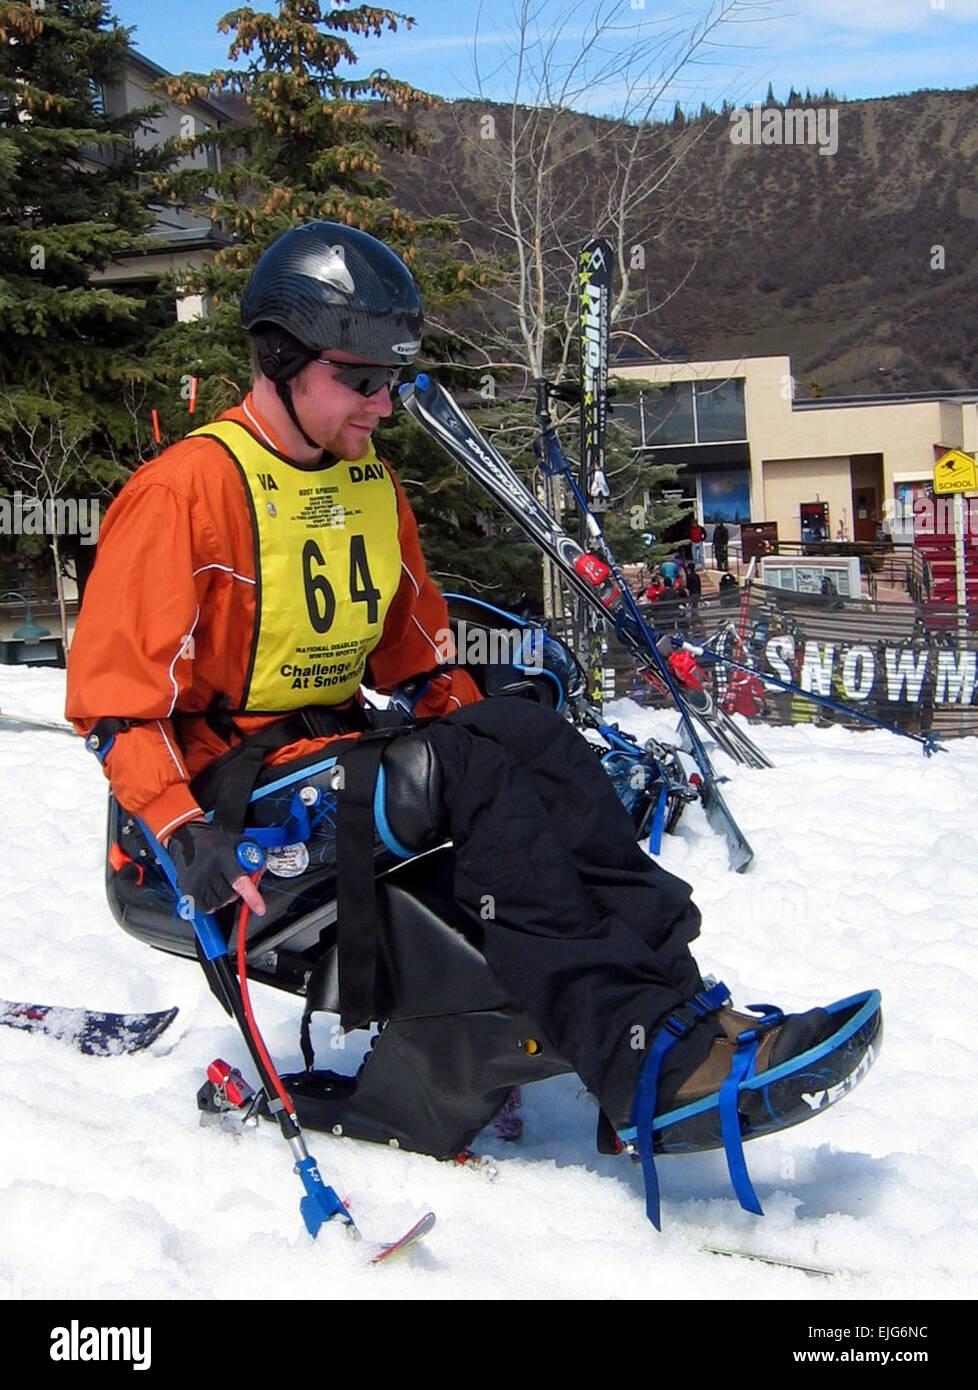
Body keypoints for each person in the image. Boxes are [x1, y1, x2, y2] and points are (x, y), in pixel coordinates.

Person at [66, 222, 870, 1223]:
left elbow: (420, 659)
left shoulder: (368, 484)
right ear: (280, 358)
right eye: (360, 380)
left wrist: (505, 742)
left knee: (530, 735)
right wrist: (181, 833)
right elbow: (110, 702)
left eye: (393, 381)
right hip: (220, 794)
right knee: (479, 768)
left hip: (326, 750)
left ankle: (676, 1012)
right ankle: (634, 1058)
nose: (381, 405)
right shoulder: (187, 491)